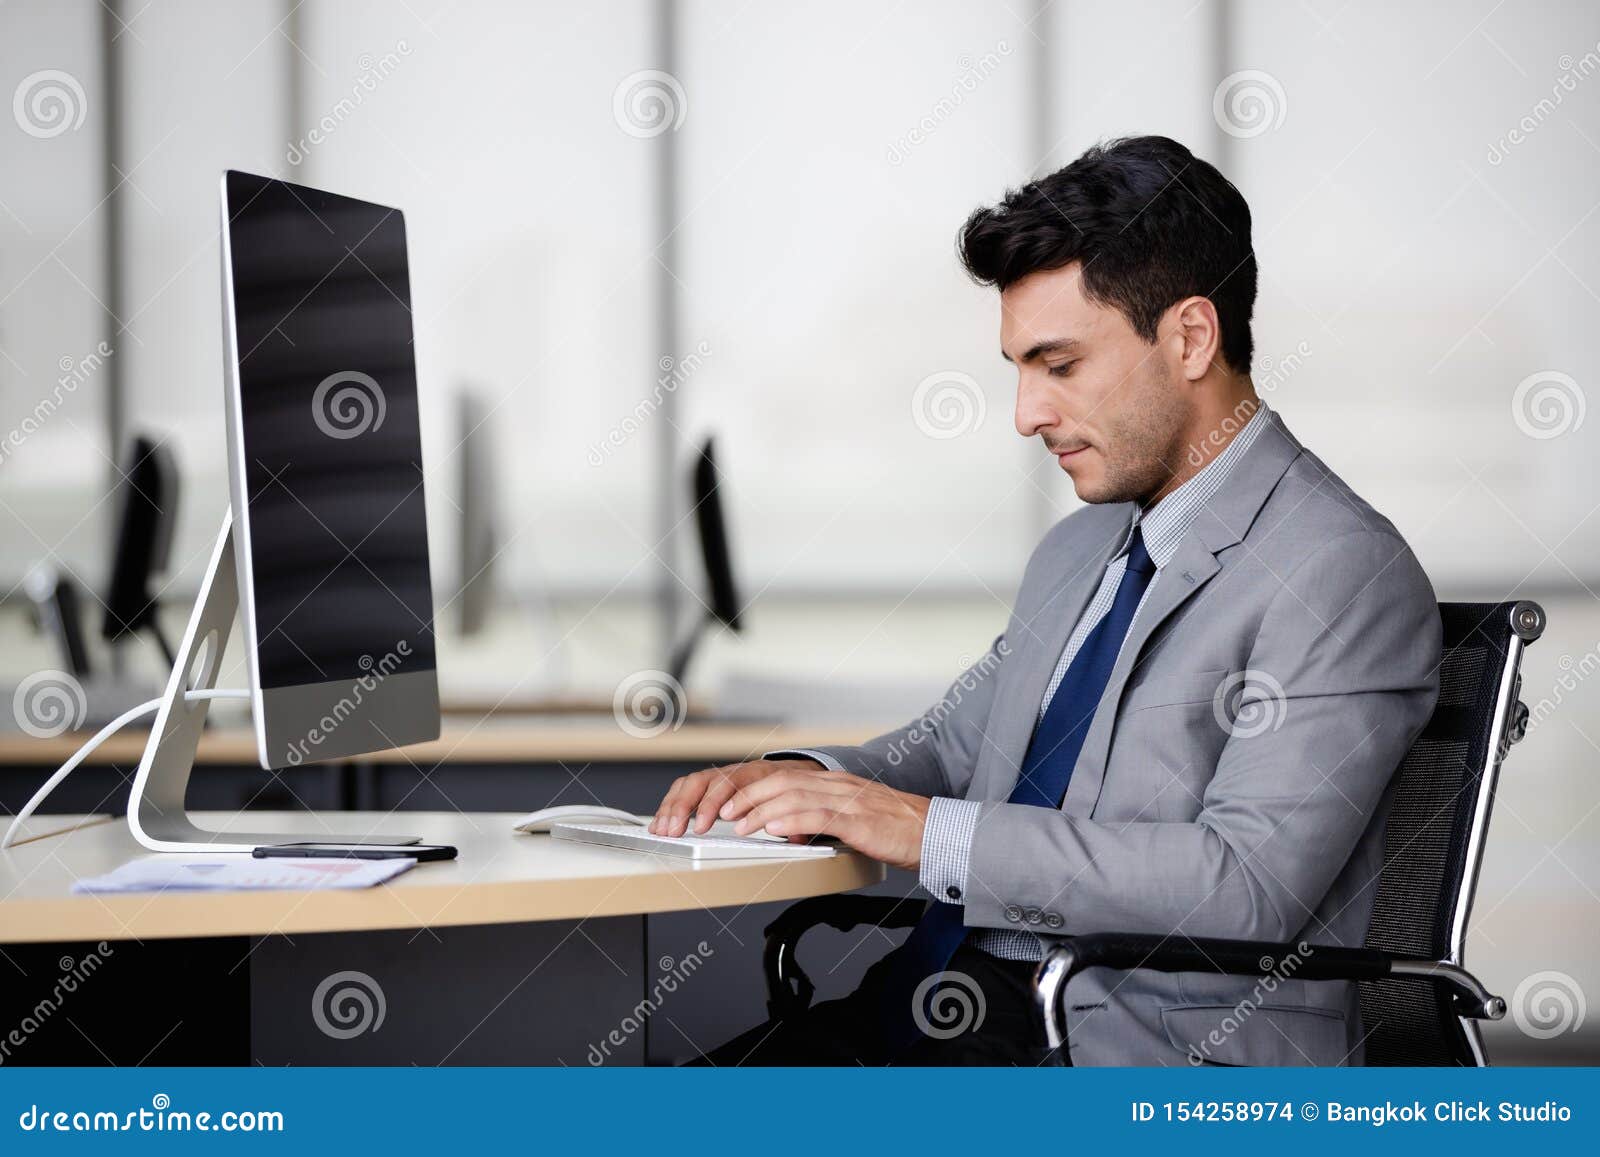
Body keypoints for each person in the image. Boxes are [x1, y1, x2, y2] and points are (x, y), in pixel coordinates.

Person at [653, 135, 1441, 1066]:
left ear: (1191, 337)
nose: (1026, 413)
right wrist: (803, 777)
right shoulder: (1081, 548)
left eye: (1059, 366)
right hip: (943, 1009)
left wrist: (917, 831)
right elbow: (955, 748)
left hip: (1122, 1053)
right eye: (1018, 369)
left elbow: (1246, 885)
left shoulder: (1339, 569)